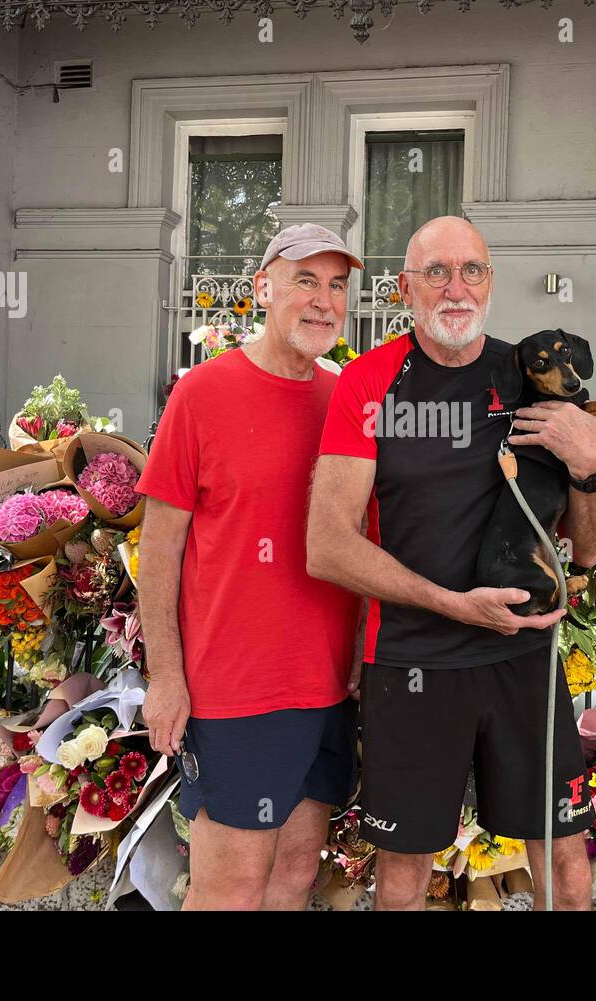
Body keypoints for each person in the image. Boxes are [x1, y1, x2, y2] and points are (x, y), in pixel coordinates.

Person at [306, 215, 596, 911]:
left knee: (566, 867)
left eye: (471, 269)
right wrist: (452, 603)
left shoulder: (531, 375)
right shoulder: (369, 384)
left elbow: (587, 549)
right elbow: (326, 543)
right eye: (436, 272)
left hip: (525, 659)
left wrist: (591, 469)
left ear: (491, 282)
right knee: (405, 877)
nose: (456, 287)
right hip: (415, 659)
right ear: (405, 288)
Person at [137, 224, 363, 910]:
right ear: (263, 289)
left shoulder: (347, 401)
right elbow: (158, 550)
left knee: (295, 875)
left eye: (337, 285)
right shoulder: (202, 393)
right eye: (305, 281)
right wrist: (167, 675)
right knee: (230, 888)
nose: (324, 301)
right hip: (235, 690)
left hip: (327, 689)